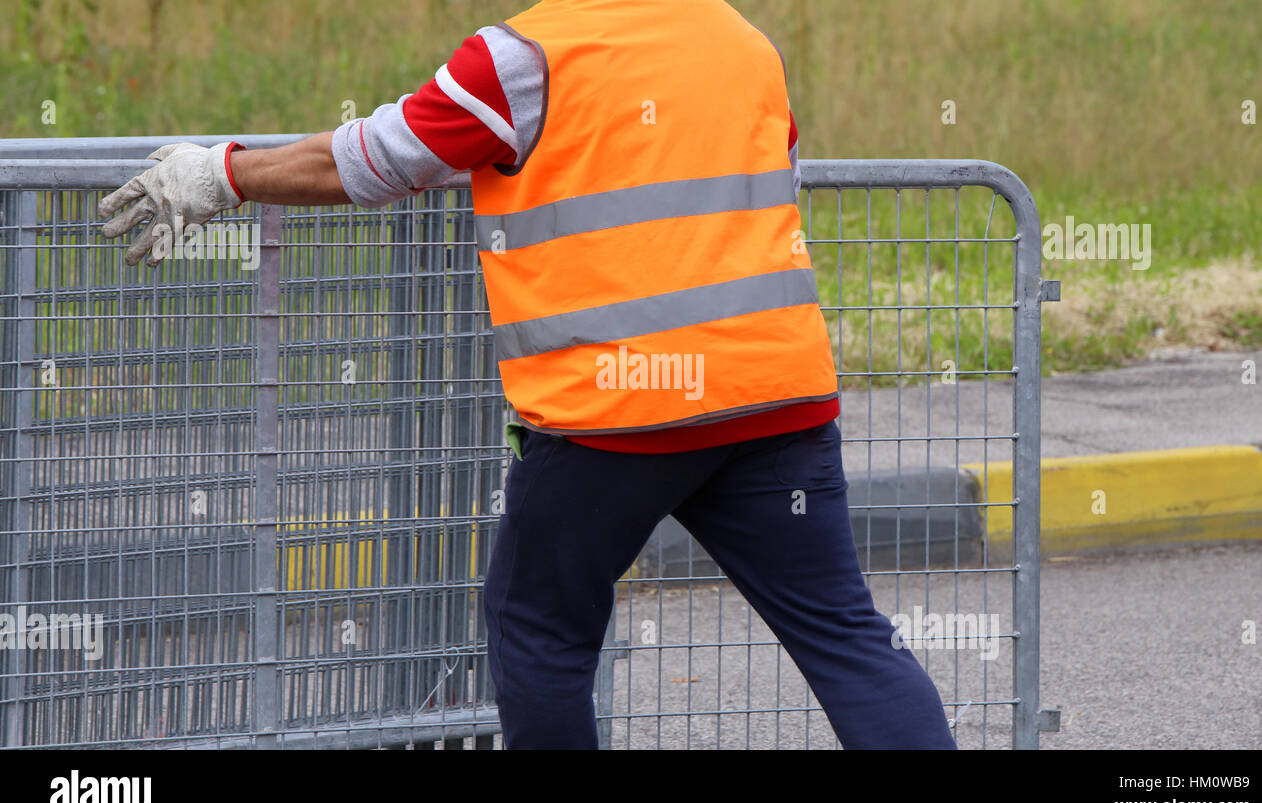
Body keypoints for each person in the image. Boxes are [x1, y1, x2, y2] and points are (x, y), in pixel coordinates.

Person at [99, 0, 956, 750]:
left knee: (537, 627)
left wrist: (222, 173)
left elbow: (372, 159)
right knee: (845, 635)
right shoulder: (743, 41)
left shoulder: (524, 58)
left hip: (615, 412)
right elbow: (772, 194)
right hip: (776, 398)